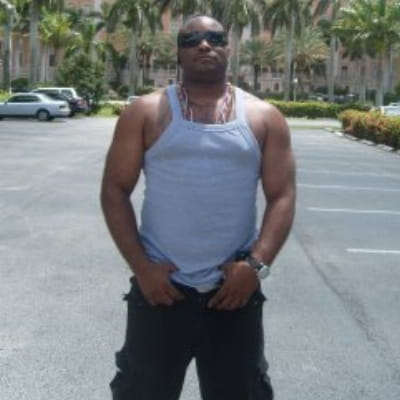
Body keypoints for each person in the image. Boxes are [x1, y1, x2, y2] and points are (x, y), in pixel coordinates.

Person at [101, 14, 296, 400]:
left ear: (229, 48)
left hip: (234, 292)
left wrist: (255, 268)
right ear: (178, 53)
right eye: (191, 40)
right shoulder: (144, 112)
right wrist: (142, 268)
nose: (204, 45)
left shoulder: (264, 117)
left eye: (214, 38)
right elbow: (114, 190)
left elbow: (283, 196)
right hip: (161, 291)